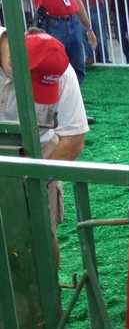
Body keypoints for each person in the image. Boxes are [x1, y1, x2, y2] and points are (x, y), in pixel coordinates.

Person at [0, 28, 89, 261]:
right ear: (16, 63)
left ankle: (49, 295)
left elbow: (74, 138)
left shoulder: (62, 71)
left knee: (42, 239)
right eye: (34, 83)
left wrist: (38, 177)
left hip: (40, 155)